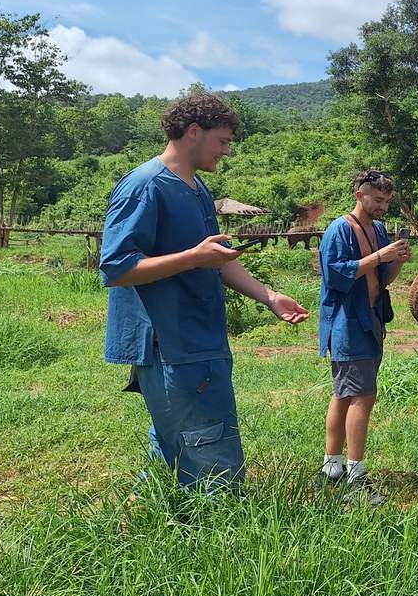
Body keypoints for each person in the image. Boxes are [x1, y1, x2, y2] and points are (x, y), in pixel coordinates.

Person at [100, 93, 309, 491]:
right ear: (194, 132)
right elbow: (116, 268)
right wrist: (193, 258)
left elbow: (218, 258)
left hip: (200, 336)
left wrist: (269, 296)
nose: (227, 151)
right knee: (211, 455)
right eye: (223, 140)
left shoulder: (196, 189)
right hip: (171, 342)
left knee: (174, 443)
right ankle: (217, 536)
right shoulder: (145, 186)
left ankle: (153, 518)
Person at [316, 169, 412, 498]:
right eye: (377, 199)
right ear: (360, 194)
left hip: (371, 319)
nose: (382, 206)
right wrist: (379, 256)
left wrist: (395, 260)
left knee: (345, 393)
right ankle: (356, 475)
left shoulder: (379, 229)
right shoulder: (339, 230)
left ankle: (332, 466)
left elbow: (381, 277)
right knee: (362, 396)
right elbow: (337, 275)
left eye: (386, 201)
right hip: (346, 322)